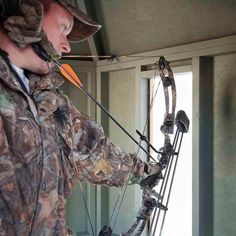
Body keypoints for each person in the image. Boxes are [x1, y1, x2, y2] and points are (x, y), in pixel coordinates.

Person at [0, 0, 160, 235]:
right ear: (26, 12)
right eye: (63, 29)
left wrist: (145, 171)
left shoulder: (48, 98)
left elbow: (92, 152)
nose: (66, 47)